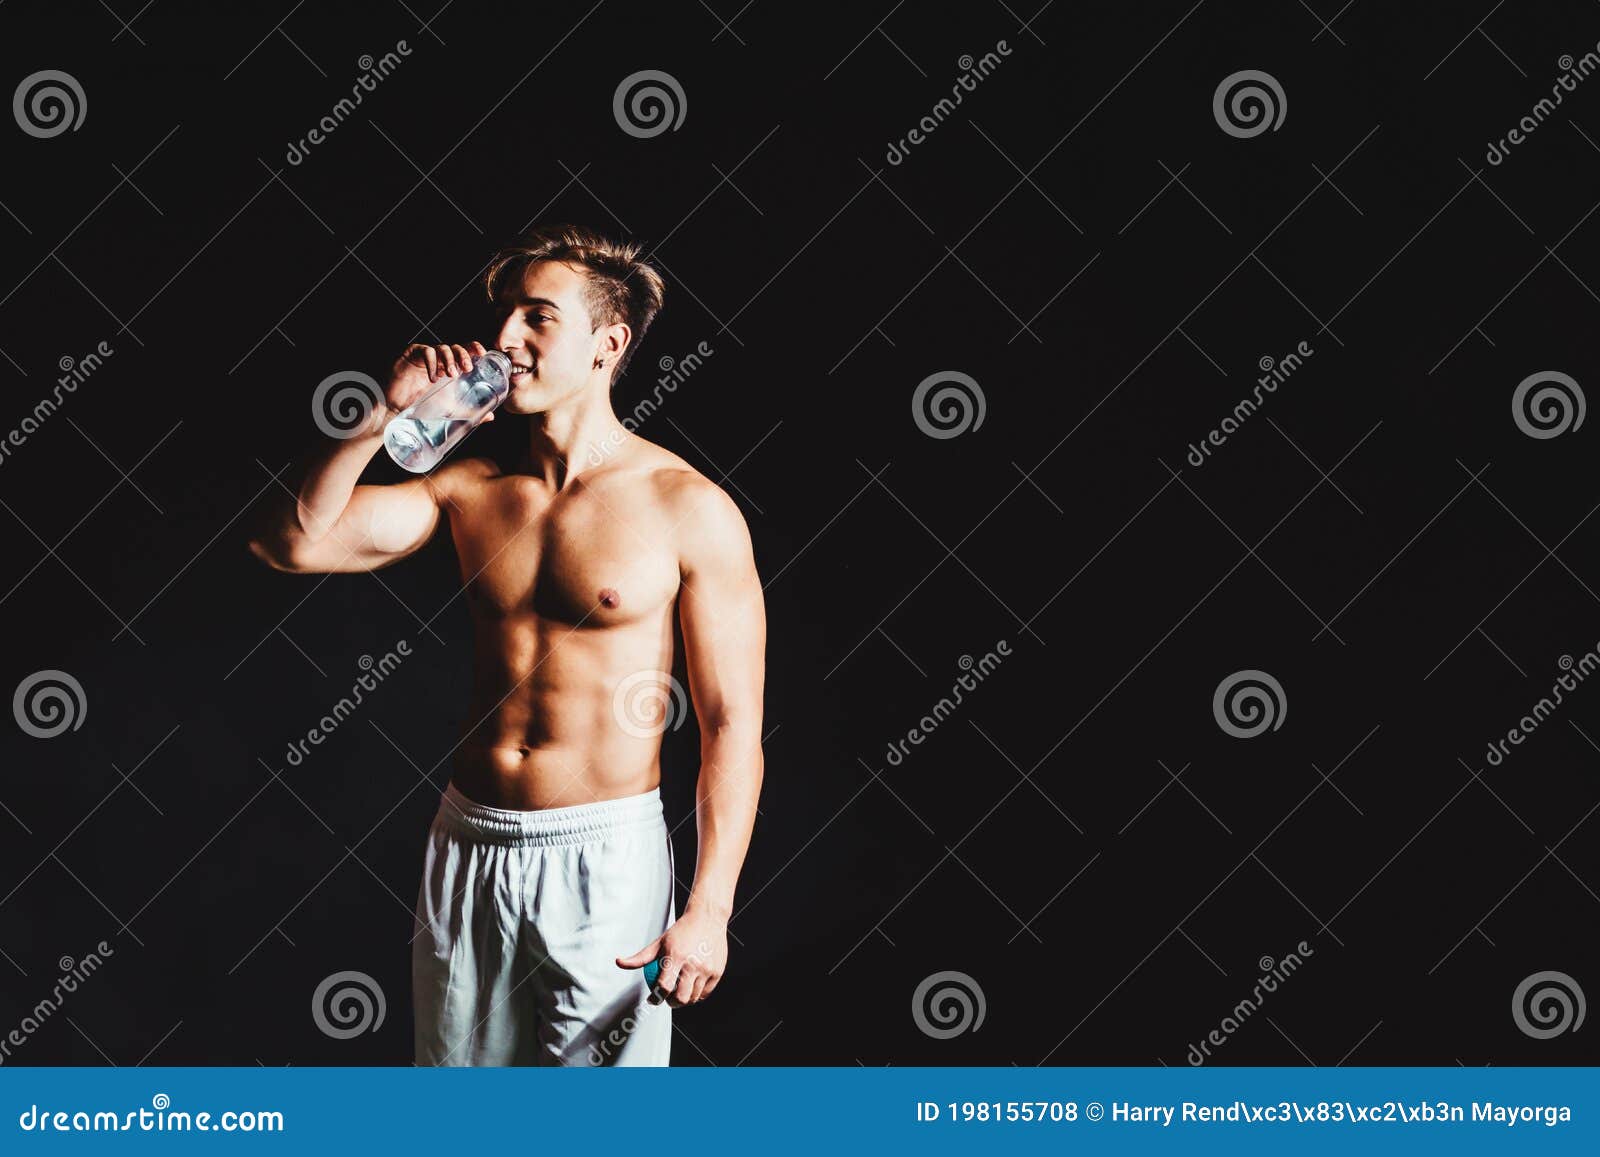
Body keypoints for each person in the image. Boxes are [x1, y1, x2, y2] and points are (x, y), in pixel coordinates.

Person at [248, 224, 766, 1066]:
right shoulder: (470, 488)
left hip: (605, 857)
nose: (504, 337)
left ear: (607, 346)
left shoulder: (687, 506)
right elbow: (290, 543)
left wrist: (709, 907)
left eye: (537, 317)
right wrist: (383, 415)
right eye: (505, 315)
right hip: (470, 840)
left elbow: (731, 724)